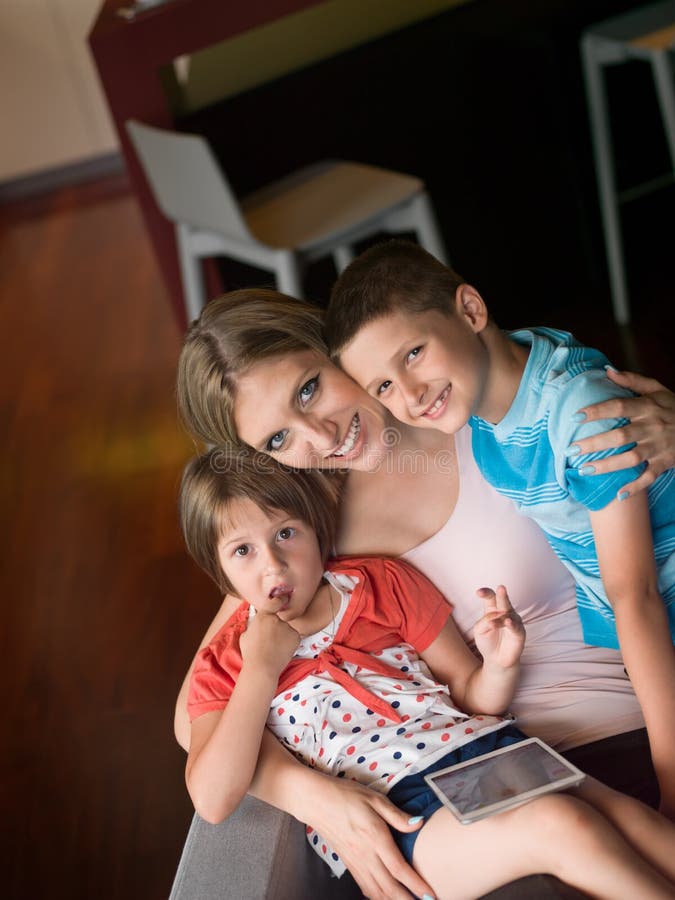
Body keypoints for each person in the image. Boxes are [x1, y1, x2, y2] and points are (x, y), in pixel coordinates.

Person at [173, 288, 675, 900]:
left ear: (334, 349)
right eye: (277, 441)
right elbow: (196, 712)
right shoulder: (307, 538)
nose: (319, 432)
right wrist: (314, 796)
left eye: (308, 388)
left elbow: (640, 556)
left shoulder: (465, 394)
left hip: (639, 723)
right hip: (483, 774)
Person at [326, 239, 675, 816]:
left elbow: (632, 598)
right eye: (382, 386)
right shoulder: (490, 417)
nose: (409, 395)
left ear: (470, 310)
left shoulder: (580, 417)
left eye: (413, 353)